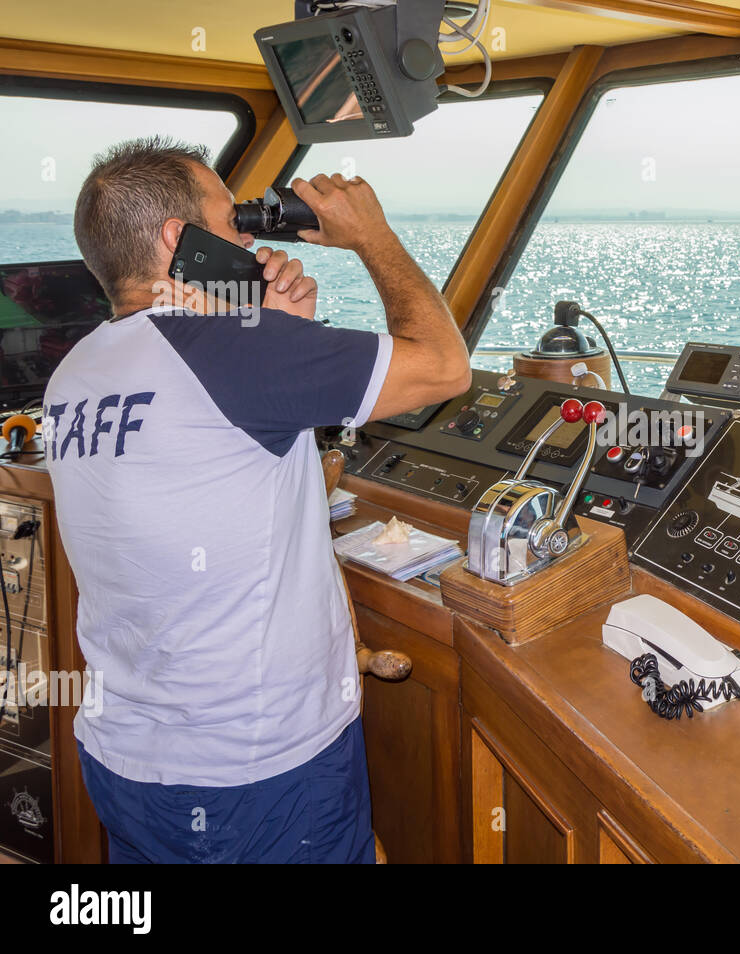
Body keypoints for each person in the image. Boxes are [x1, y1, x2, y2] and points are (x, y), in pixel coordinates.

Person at [43, 136, 470, 862]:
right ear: (179, 240)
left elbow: (219, 472)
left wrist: (280, 330)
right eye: (230, 219)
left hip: (125, 761)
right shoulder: (236, 351)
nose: (246, 234)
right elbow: (444, 366)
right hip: (258, 774)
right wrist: (374, 237)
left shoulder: (74, 375)